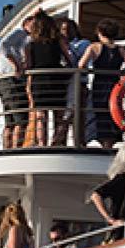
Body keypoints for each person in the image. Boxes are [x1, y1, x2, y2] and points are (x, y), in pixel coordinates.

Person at [78, 19, 125, 149]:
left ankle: (102, 144)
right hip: (115, 86)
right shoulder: (121, 49)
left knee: (99, 113)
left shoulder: (94, 47)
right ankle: (109, 144)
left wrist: (92, 70)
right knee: (113, 113)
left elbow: (81, 65)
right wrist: (122, 73)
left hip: (100, 84)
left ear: (100, 32)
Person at [26, 11, 72, 147]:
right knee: (59, 113)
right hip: (56, 79)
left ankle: (42, 143)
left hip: (39, 80)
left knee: (41, 115)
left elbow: (29, 66)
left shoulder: (30, 45)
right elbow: (69, 59)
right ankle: (57, 141)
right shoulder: (58, 41)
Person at [0, 14, 35, 149]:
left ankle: (8, 149)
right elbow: (3, 44)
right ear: (26, 23)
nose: (35, 28)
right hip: (11, 79)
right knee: (21, 119)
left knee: (11, 122)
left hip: (5, 81)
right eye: (33, 24)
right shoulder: (20, 33)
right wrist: (16, 65)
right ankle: (15, 149)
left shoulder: (26, 39)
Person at [56, 18, 91, 145]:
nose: (65, 33)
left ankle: (79, 143)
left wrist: (66, 47)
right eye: (63, 30)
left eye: (68, 29)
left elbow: (80, 62)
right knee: (61, 115)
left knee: (78, 116)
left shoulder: (84, 44)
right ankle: (60, 143)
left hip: (79, 83)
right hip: (63, 84)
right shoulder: (58, 45)